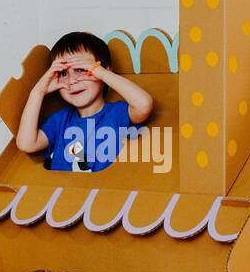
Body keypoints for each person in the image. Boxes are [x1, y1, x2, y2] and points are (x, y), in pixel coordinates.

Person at [15, 31, 153, 172]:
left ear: (103, 71)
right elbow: (26, 144)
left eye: (81, 69)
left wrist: (103, 73)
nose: (72, 80)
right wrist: (39, 91)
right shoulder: (60, 120)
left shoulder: (117, 113)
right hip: (64, 192)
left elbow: (144, 104)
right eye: (63, 73)